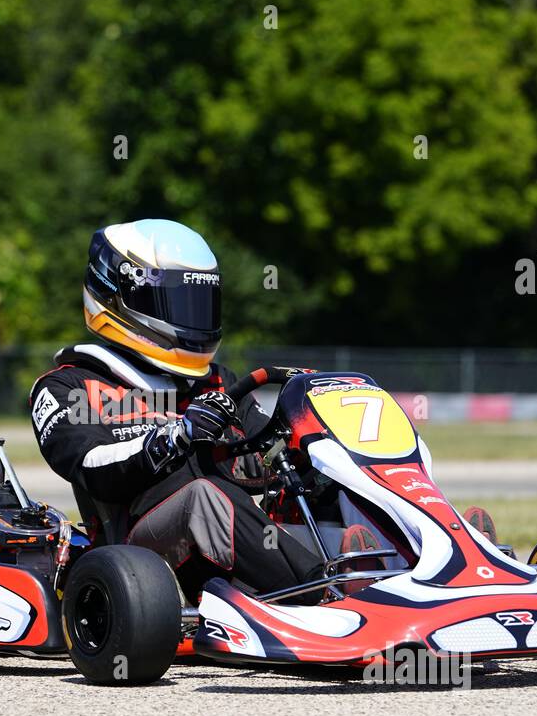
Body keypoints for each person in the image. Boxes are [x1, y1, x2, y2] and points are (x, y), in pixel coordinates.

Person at [28, 218, 325, 600]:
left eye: (197, 303)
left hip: (223, 547)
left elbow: (263, 457)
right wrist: (178, 434)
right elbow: (91, 467)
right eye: (176, 301)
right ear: (119, 295)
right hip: (134, 559)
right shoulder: (67, 386)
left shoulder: (218, 383)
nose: (191, 315)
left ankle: (390, 579)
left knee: (331, 483)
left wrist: (311, 453)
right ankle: (326, 597)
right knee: (204, 493)